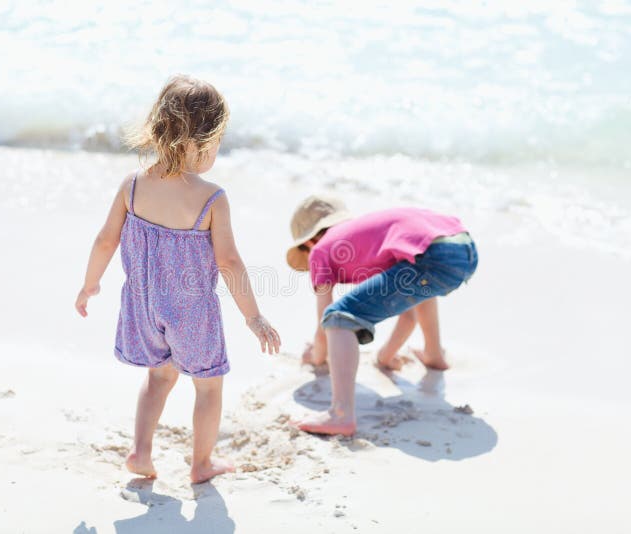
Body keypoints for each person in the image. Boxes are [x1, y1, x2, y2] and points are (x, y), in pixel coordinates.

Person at [75, 75, 281, 483]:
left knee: (158, 377)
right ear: (203, 142)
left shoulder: (133, 186)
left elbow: (105, 240)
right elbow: (229, 262)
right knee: (208, 386)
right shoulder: (211, 198)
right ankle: (201, 463)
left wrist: (89, 284)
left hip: (143, 306)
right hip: (192, 313)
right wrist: (253, 316)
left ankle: (140, 452)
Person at [287, 195, 477, 436]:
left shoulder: (319, 251)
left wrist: (314, 356)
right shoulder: (372, 238)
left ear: (309, 241)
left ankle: (340, 414)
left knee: (338, 317)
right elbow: (409, 314)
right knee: (421, 286)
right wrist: (385, 357)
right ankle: (434, 354)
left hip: (433, 256)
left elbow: (325, 324)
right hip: (463, 247)